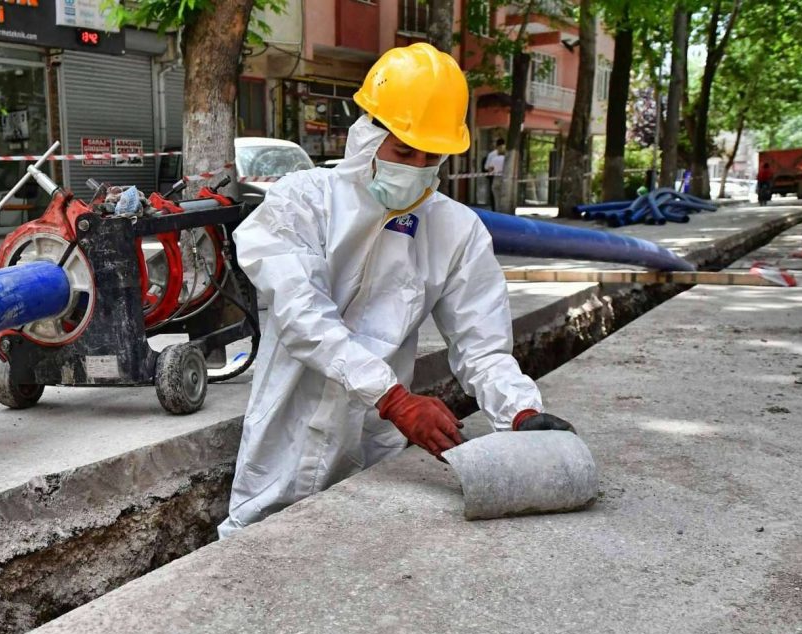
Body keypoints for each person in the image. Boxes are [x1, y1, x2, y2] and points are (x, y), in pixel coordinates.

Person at [218, 43, 573, 539]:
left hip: (374, 438)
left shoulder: (456, 230)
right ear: (368, 133)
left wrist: (520, 411)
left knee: (362, 545)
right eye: (404, 151)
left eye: (431, 157)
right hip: (289, 423)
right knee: (254, 543)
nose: (417, 167)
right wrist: (394, 399)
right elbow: (304, 316)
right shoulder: (302, 203)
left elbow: (483, 348)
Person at [484, 138, 506, 212]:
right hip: (505, 178)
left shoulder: (492, 155)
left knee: (495, 198)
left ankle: (496, 211)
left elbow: (487, 167)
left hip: (494, 177)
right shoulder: (507, 157)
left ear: (496, 145)